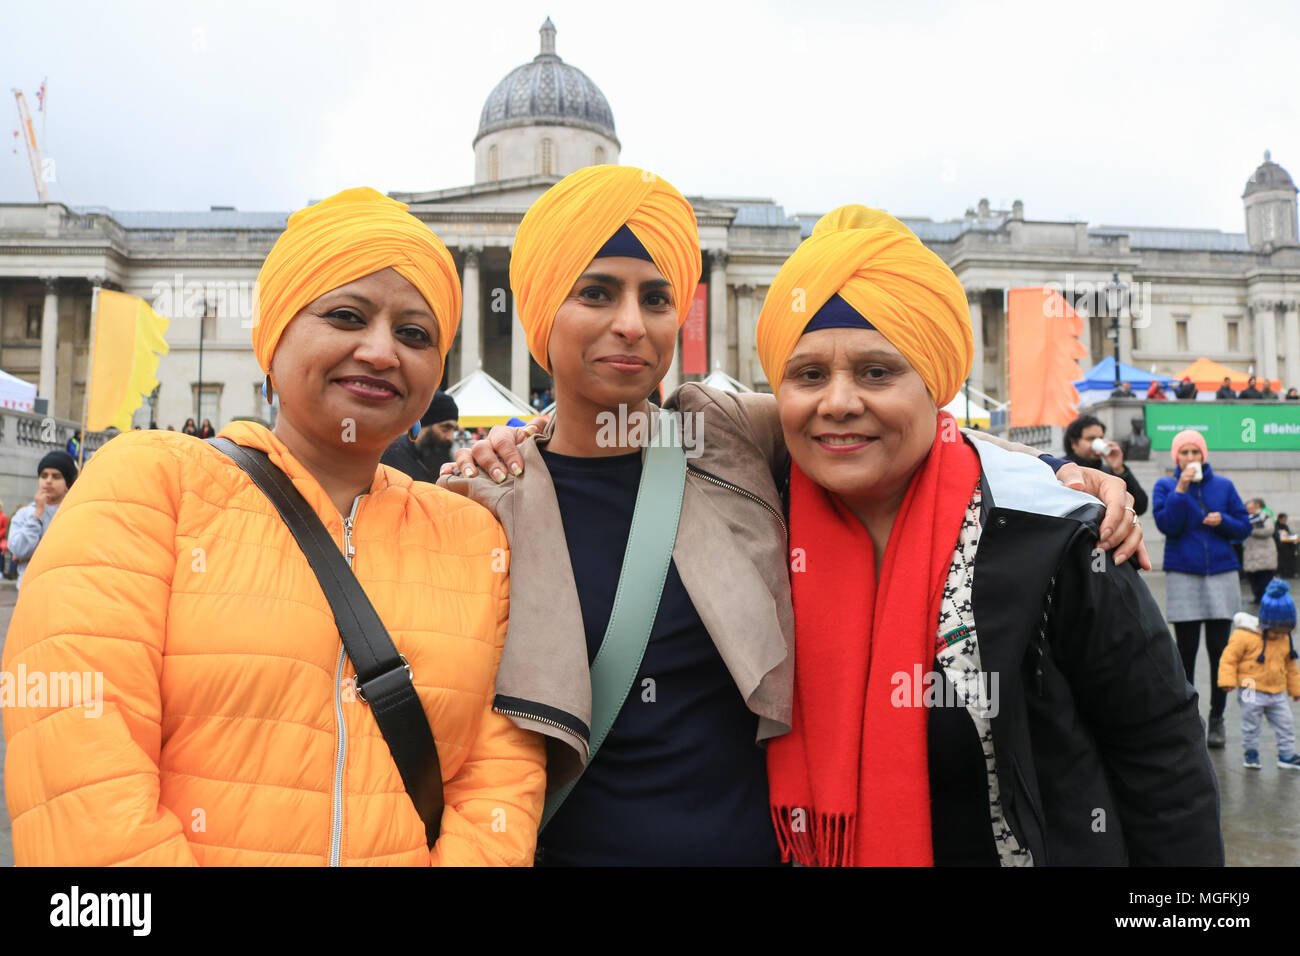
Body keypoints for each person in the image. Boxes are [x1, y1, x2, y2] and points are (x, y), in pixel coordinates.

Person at [446, 178, 1156, 866]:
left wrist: (1057, 470)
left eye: (657, 297)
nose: (631, 323)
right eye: (596, 293)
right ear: (542, 309)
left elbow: (899, 425)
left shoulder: (718, 432)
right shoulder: (485, 494)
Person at [2, 187, 545, 866]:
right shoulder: (146, 486)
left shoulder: (473, 536)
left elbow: (500, 777)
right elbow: (79, 768)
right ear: (275, 333)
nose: (380, 351)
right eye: (346, 316)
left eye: (414, 333)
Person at [1152, 429, 1252, 749]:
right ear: (1176, 457)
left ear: (1203, 456)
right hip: (1184, 574)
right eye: (1185, 452)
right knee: (1186, 651)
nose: (1191, 458)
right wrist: (1181, 490)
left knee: (1221, 652)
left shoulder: (1224, 486)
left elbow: (1244, 528)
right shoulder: (1165, 486)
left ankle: (1218, 717)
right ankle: (1187, 718)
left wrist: (1223, 520)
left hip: (1222, 573)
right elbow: (1168, 525)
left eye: (1196, 452)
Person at [1217, 580, 1300, 770]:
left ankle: (1286, 755)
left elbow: (1291, 665)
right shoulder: (1243, 636)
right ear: (1265, 622)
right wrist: (1227, 681)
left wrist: (1295, 689)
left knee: (1286, 723)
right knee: (1250, 722)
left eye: (1285, 631)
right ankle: (1251, 753)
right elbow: (1228, 659)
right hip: (1250, 686)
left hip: (1276, 689)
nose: (1279, 636)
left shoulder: (1284, 639)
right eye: (1275, 631)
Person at [7, 450, 78, 589]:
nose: (48, 481)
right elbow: (19, 550)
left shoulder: (74, 512)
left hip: (64, 589)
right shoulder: (24, 514)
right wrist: (37, 516)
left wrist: (30, 556)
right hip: (29, 590)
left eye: (56, 476)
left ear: (67, 483)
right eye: (44, 475)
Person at [1063, 414, 1148, 515]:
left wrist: (1119, 469)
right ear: (1074, 443)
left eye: (1100, 438)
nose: (1097, 443)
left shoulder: (1108, 472)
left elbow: (1140, 506)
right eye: (1091, 439)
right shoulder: (1062, 471)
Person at [379, 389, 459, 483]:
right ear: (422, 425)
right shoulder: (389, 458)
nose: (450, 437)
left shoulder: (441, 459)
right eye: (445, 428)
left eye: (454, 430)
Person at [1244, 498, 1278, 603]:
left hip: (1265, 553)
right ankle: (1257, 597)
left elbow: (1269, 530)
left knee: (1265, 577)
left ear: (1257, 506)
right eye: (1248, 508)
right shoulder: (1244, 517)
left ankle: (1266, 598)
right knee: (1253, 577)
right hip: (1250, 552)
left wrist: (1251, 530)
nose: (1250, 510)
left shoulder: (1264, 515)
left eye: (1252, 508)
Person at [1276, 512, 1298, 579]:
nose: (1285, 520)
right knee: (1285, 554)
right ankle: (1283, 573)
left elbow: (1289, 534)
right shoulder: (1276, 526)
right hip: (1281, 545)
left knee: (1293, 548)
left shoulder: (1285, 526)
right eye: (1284, 518)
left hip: (1287, 543)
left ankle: (1291, 572)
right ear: (1280, 519)